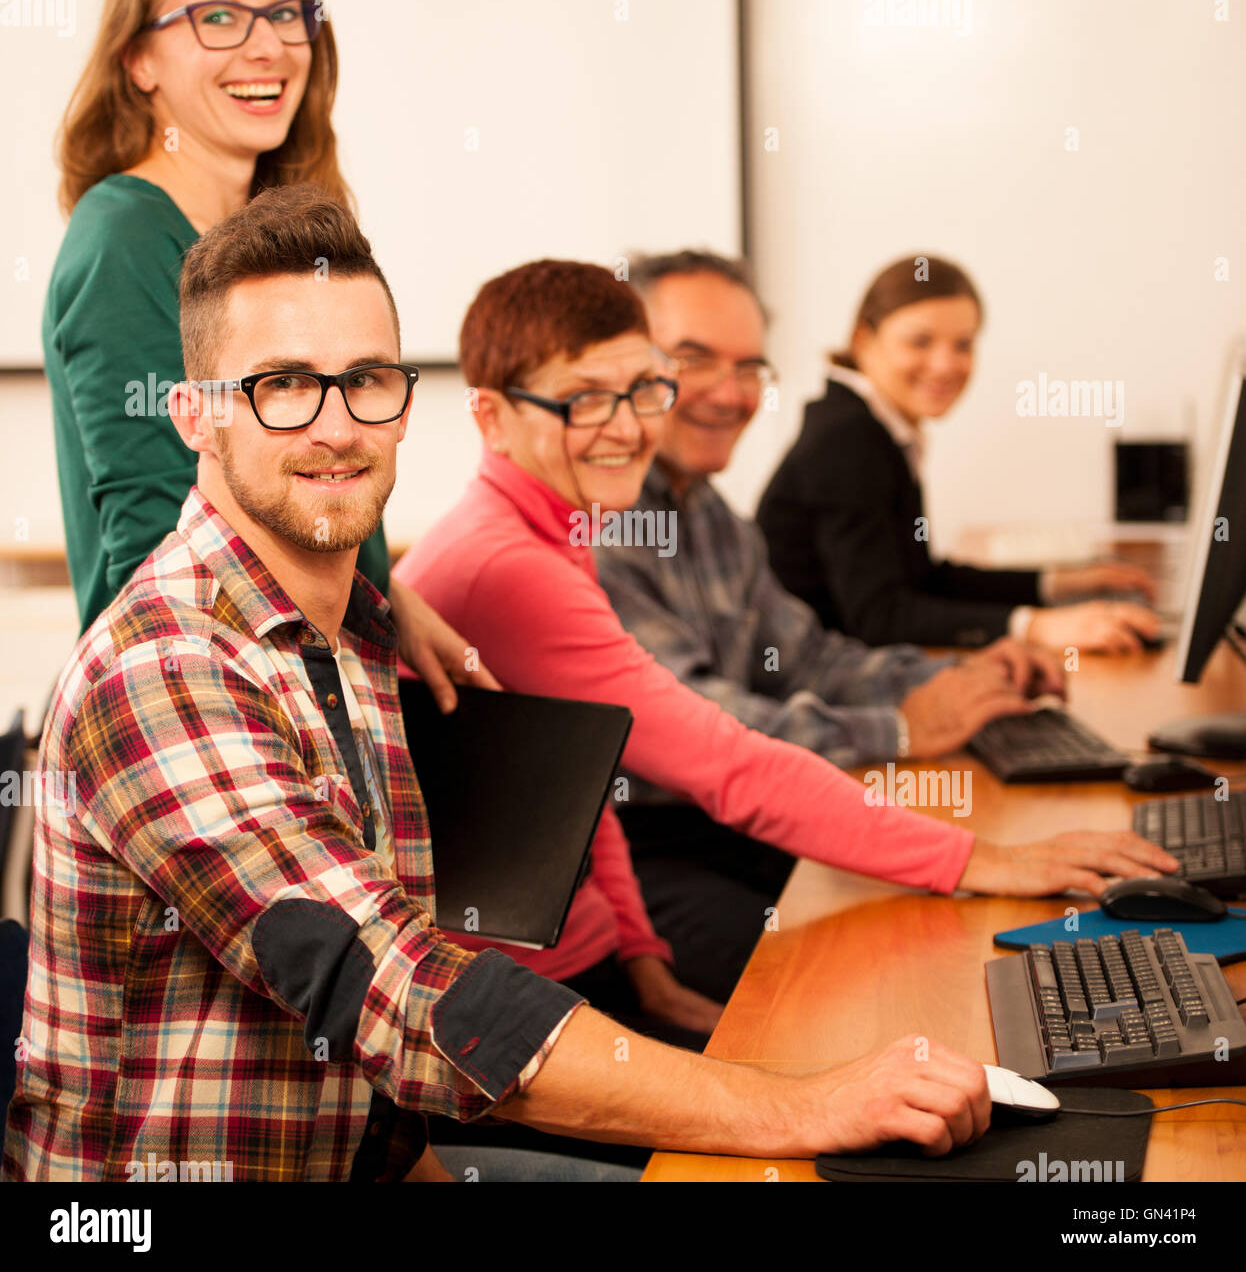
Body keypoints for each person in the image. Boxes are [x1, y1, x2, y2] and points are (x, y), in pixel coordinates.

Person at [5, 187, 1003, 1182]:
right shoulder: (168, 664)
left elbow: (374, 1060)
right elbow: (399, 992)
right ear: (194, 417)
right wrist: (806, 1103)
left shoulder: (361, 630)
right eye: (281, 386)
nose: (334, 424)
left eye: (366, 381)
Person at [392, 257, 1176, 1015]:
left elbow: (584, 775)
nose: (627, 428)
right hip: (517, 996)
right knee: (881, 985)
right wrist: (988, 860)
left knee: (904, 953)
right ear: (491, 416)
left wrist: (642, 959)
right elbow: (727, 764)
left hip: (572, 954)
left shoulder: (554, 528)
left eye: (641, 391)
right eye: (585, 400)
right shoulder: (511, 564)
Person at [592, 250, 1077, 996]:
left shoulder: (714, 515)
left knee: (953, 931)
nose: (731, 392)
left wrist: (951, 678)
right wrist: (901, 727)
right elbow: (699, 731)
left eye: (750, 366)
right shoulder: (599, 524)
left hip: (731, 826)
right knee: (857, 980)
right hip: (640, 854)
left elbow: (808, 655)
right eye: (694, 360)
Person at [42, 0, 481, 710]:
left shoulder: (268, 228)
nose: (268, 44)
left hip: (322, 684)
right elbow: (154, 535)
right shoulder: (128, 235)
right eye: (218, 17)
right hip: (212, 701)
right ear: (139, 60)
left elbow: (308, 485)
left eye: (286, 14)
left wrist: (392, 606)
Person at [756, 254, 1160, 653]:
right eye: (920, 341)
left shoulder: (873, 426)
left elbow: (920, 578)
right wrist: (1035, 627)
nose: (946, 365)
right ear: (864, 339)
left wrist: (1054, 584)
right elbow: (880, 616)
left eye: (963, 345)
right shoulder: (847, 438)